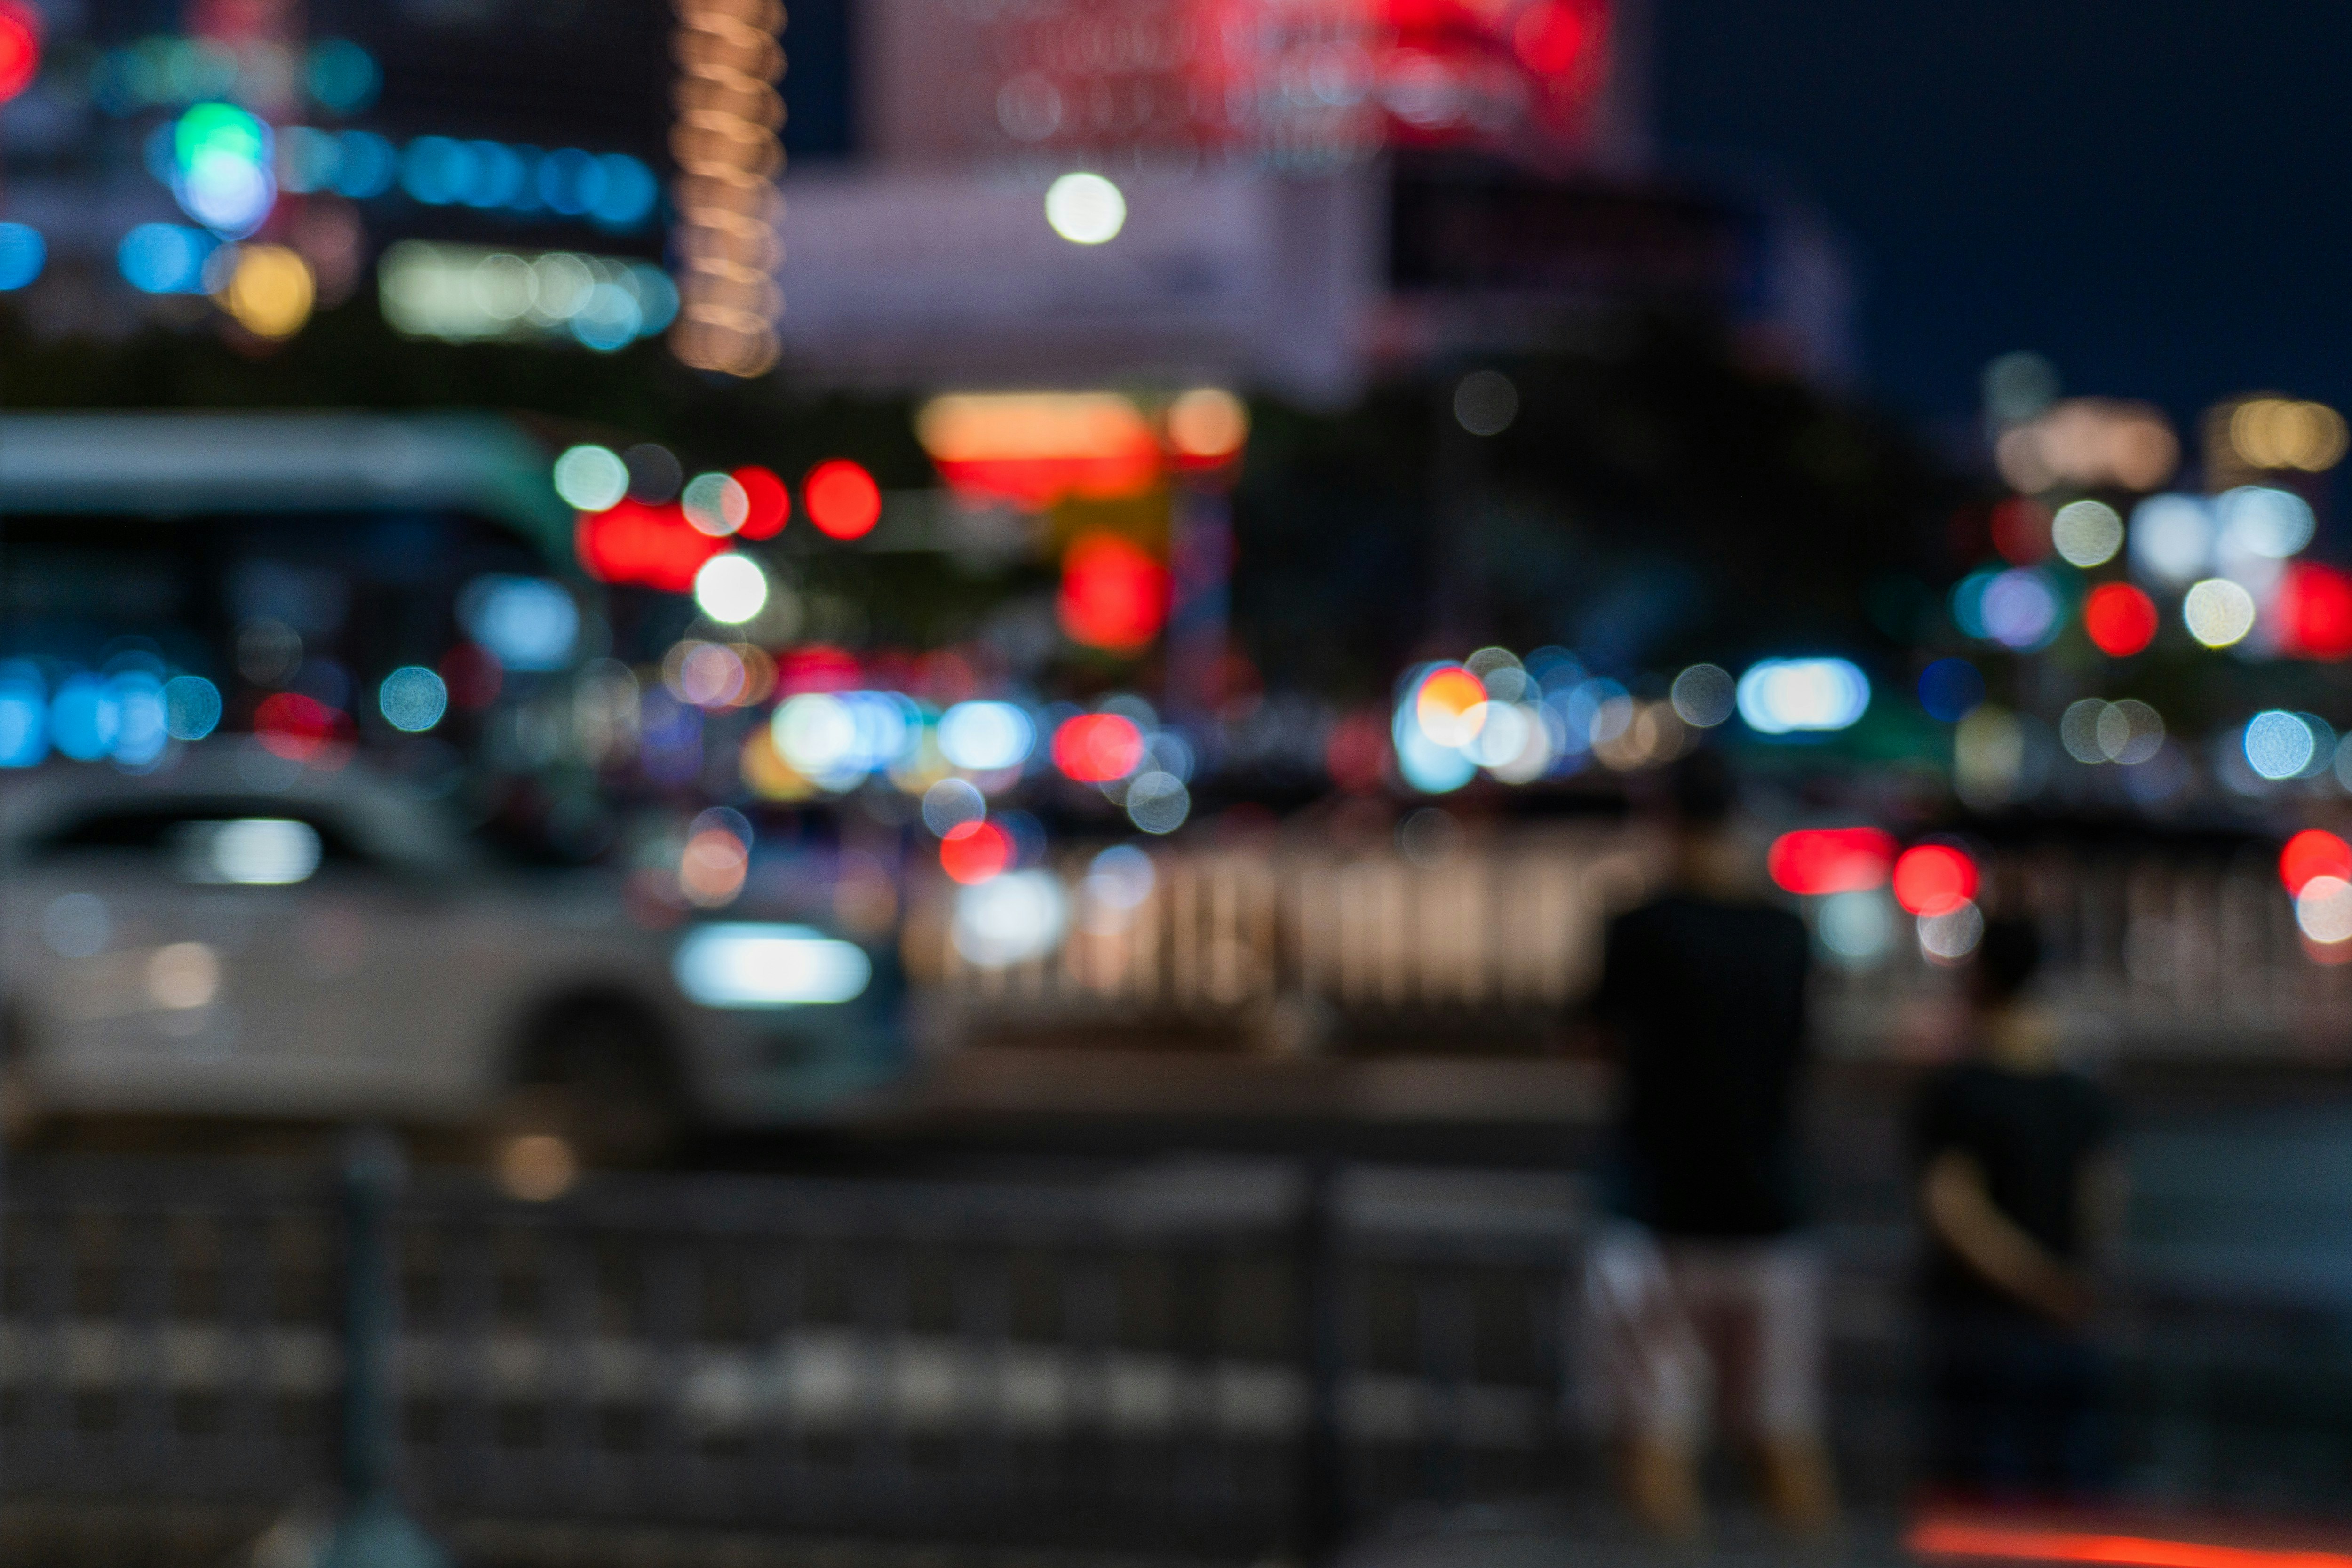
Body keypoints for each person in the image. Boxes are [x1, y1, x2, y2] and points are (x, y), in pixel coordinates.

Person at [1585, 751, 1837, 1537]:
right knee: (1782, 1434)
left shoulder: (1638, 926)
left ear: (1664, 819)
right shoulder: (1785, 935)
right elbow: (1802, 1053)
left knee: (1654, 1436)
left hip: (1656, 1207)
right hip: (1769, 1204)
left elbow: (1600, 1039)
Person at [1912, 917, 2122, 1501]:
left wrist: (2032, 1282)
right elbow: (2100, 1199)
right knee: (2072, 1496)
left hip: (1978, 1324)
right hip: (2067, 1321)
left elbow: (1953, 1212)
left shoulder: (1960, 1091)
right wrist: (2069, 1285)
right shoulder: (2079, 1093)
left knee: (1980, 1498)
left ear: (1979, 980)